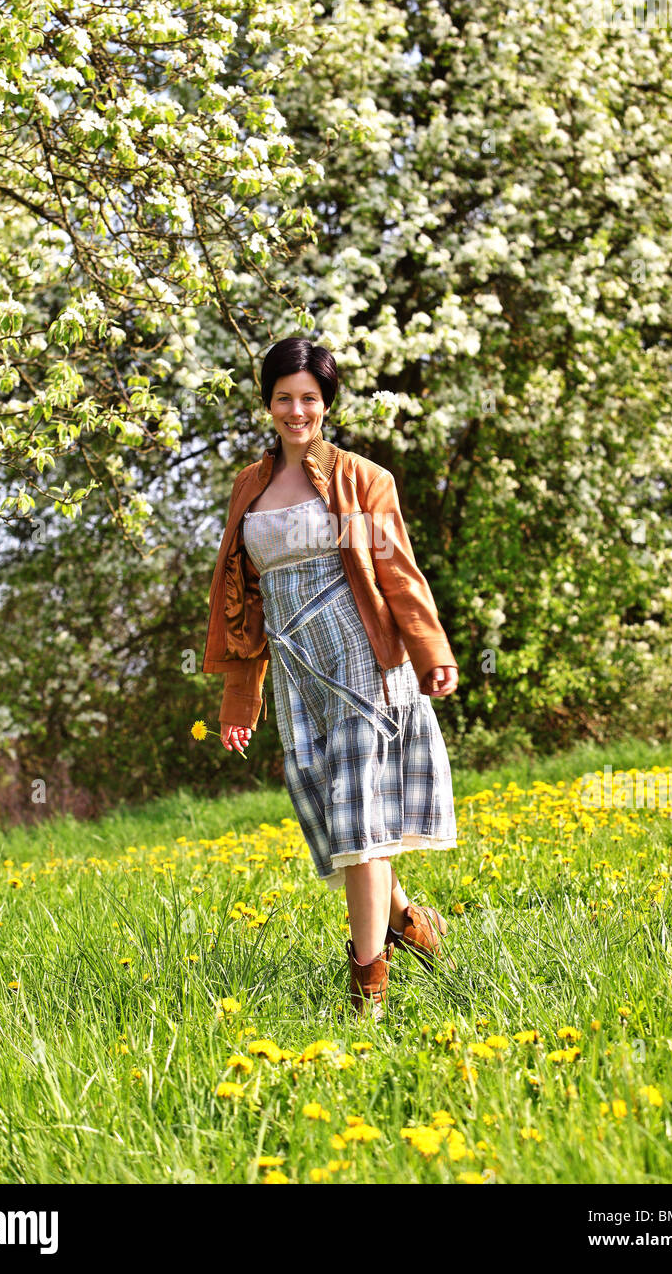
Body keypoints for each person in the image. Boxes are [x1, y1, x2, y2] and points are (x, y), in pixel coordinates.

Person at [201, 337, 459, 1019]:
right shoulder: (247, 488)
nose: (296, 410)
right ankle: (408, 922)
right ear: (267, 403)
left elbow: (397, 571)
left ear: (326, 403)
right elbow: (241, 599)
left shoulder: (363, 479)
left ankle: (367, 986)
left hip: (360, 660)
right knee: (346, 818)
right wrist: (239, 696)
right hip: (296, 672)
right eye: (284, 397)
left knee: (357, 821)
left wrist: (433, 653)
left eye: (308, 398)